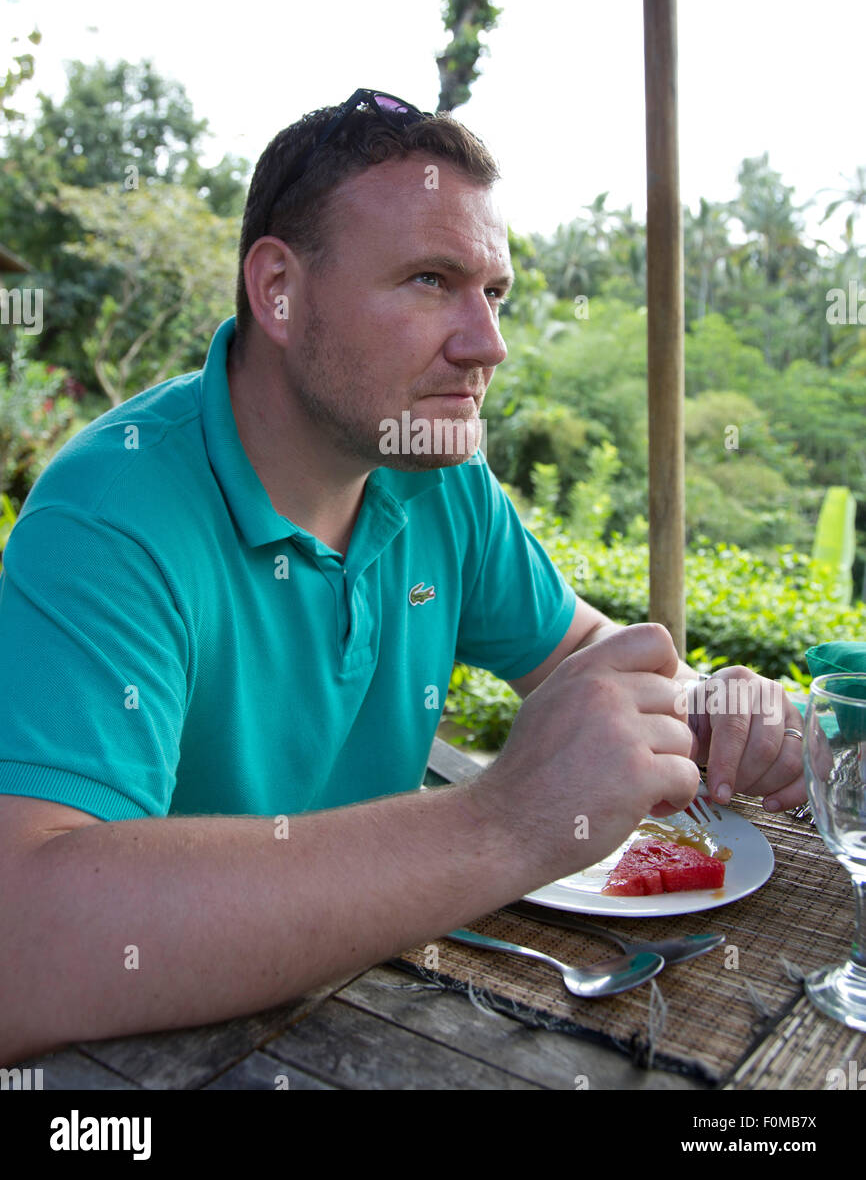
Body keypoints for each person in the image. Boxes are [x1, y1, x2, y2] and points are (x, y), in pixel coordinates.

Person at [0, 90, 805, 1065]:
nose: (487, 343)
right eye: (431, 280)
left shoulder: (435, 480)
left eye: (493, 292)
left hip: (365, 1021)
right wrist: (499, 820)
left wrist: (714, 706)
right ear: (279, 290)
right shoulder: (112, 514)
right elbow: (25, 945)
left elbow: (584, 655)